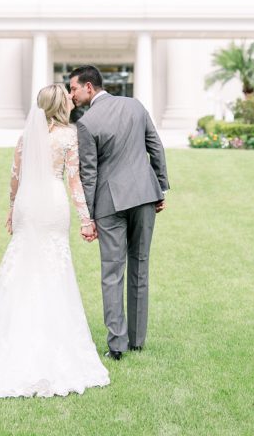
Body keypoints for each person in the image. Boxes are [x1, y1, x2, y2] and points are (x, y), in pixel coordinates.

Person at [0, 83, 110, 399]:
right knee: (54, 267)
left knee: (22, 266)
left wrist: (11, 208)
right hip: (53, 202)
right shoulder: (68, 136)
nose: (72, 100)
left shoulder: (26, 137)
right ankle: (52, 340)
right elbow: (75, 182)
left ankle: (15, 333)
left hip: (27, 204)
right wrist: (86, 219)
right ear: (60, 105)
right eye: (67, 98)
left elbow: (14, 177)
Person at [70, 65, 169, 360]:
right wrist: (160, 188)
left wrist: (89, 216)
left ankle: (117, 345)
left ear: (89, 87)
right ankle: (137, 339)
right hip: (145, 195)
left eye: (73, 88)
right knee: (140, 265)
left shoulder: (86, 123)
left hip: (109, 203)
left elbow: (89, 174)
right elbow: (156, 147)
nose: (71, 94)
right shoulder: (136, 106)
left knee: (112, 272)